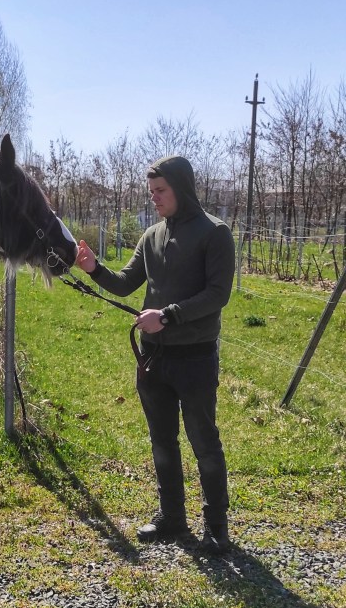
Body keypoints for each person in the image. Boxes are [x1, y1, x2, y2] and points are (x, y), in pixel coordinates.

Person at [74, 155, 236, 554]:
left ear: (182, 188)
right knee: (162, 441)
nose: (155, 198)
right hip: (152, 359)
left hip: (195, 359)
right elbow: (125, 283)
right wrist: (94, 268)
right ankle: (172, 517)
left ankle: (216, 525)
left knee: (204, 441)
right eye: (151, 192)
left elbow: (218, 295)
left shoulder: (215, 233)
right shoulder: (151, 236)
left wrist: (167, 315)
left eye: (160, 191)